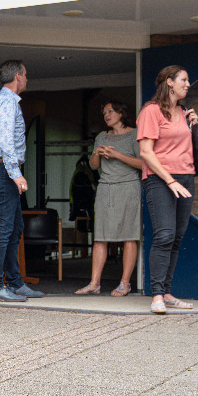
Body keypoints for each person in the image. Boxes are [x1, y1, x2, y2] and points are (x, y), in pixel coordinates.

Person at [0, 60, 45, 302]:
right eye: (26, 75)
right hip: (1, 170)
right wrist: (15, 173)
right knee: (4, 229)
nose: (27, 79)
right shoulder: (7, 102)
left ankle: (16, 283)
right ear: (18, 76)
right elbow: (6, 141)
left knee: (15, 227)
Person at [137, 65, 198, 314]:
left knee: (176, 237)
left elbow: (184, 146)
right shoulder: (151, 111)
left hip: (186, 177)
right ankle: (157, 296)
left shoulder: (183, 111)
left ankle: (168, 292)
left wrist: (194, 126)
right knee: (164, 235)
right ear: (169, 83)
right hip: (160, 179)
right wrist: (169, 180)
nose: (188, 84)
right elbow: (146, 153)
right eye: (184, 79)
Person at [74, 101, 142, 296]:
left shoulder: (134, 134)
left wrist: (117, 154)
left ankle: (125, 283)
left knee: (129, 235)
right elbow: (94, 165)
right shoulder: (101, 137)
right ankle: (94, 283)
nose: (106, 115)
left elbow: (143, 164)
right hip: (105, 189)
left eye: (110, 111)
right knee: (100, 236)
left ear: (121, 112)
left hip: (129, 187)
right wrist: (97, 153)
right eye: (104, 112)